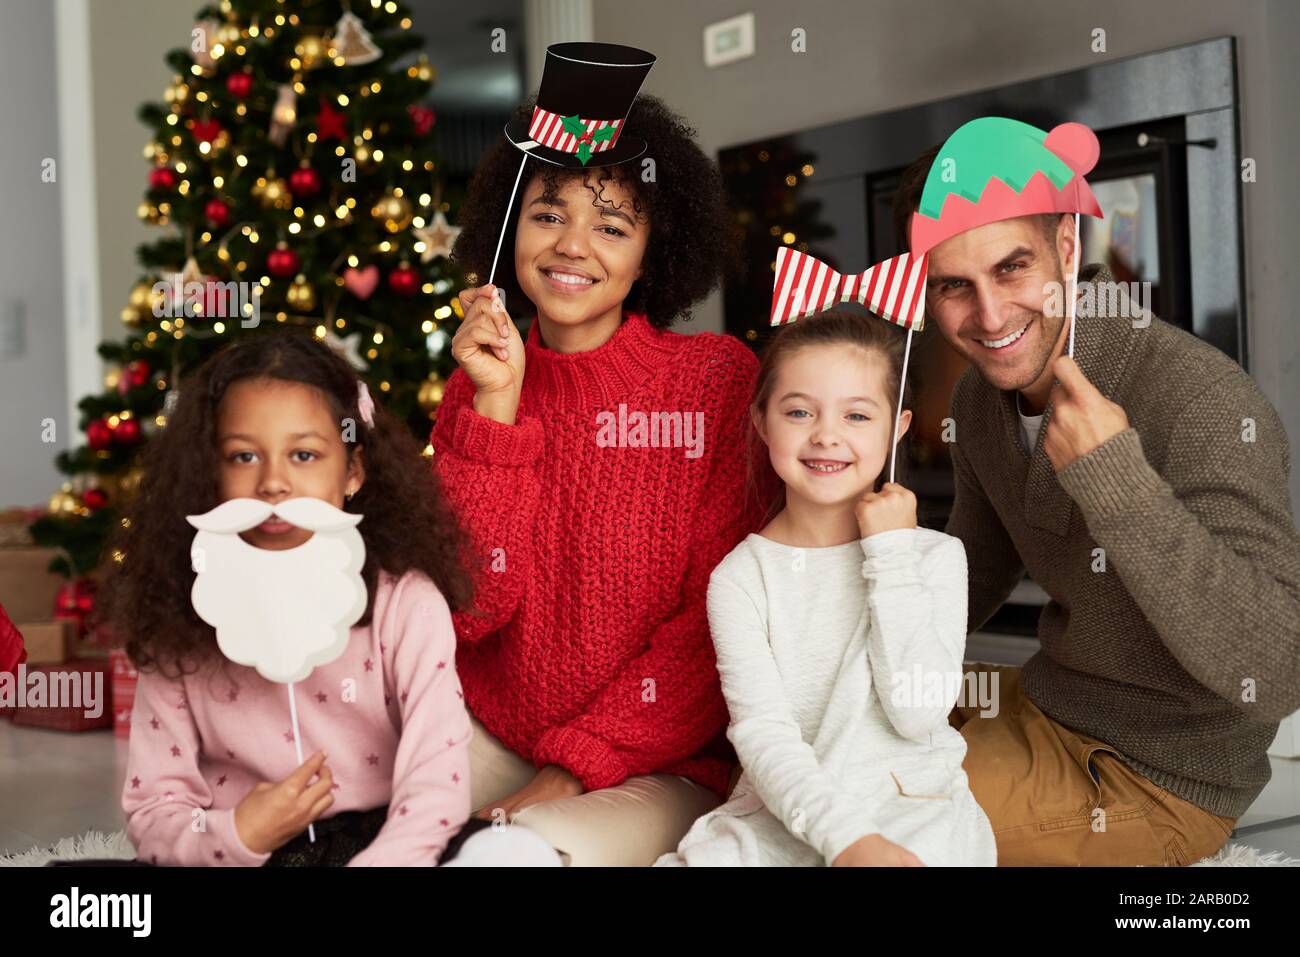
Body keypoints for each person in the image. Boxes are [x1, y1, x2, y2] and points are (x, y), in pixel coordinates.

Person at [893, 130, 1300, 865]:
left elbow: (1277, 670)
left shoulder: (1202, 402)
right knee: (815, 756)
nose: (988, 317)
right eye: (953, 284)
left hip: (1155, 777)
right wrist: (877, 600)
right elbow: (975, 569)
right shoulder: (979, 398)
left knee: (866, 828)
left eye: (1012, 267)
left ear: (1067, 246)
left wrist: (1117, 481)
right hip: (1044, 702)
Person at [435, 90, 777, 866]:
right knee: (329, 797)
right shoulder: (477, 381)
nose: (572, 246)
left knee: (503, 858)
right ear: (508, 229)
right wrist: (497, 406)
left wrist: (572, 764)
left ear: (655, 250)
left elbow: (714, 628)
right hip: (493, 731)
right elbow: (470, 608)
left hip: (655, 763)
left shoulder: (716, 383)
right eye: (548, 215)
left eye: (612, 225)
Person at [93, 332, 556, 866]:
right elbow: (155, 810)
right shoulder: (179, 618)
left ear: (352, 471)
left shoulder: (404, 603)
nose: (273, 483)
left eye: (305, 454)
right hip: (244, 854)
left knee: (516, 854)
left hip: (383, 845)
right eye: (244, 455)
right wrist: (238, 833)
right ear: (209, 473)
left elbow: (436, 783)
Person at [657, 311, 995, 867]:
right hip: (787, 809)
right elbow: (765, 737)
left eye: (857, 415)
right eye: (798, 411)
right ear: (763, 422)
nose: (826, 435)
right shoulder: (741, 579)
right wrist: (847, 842)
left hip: (910, 808)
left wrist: (891, 555)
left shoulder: (933, 559)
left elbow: (917, 712)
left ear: (898, 427)